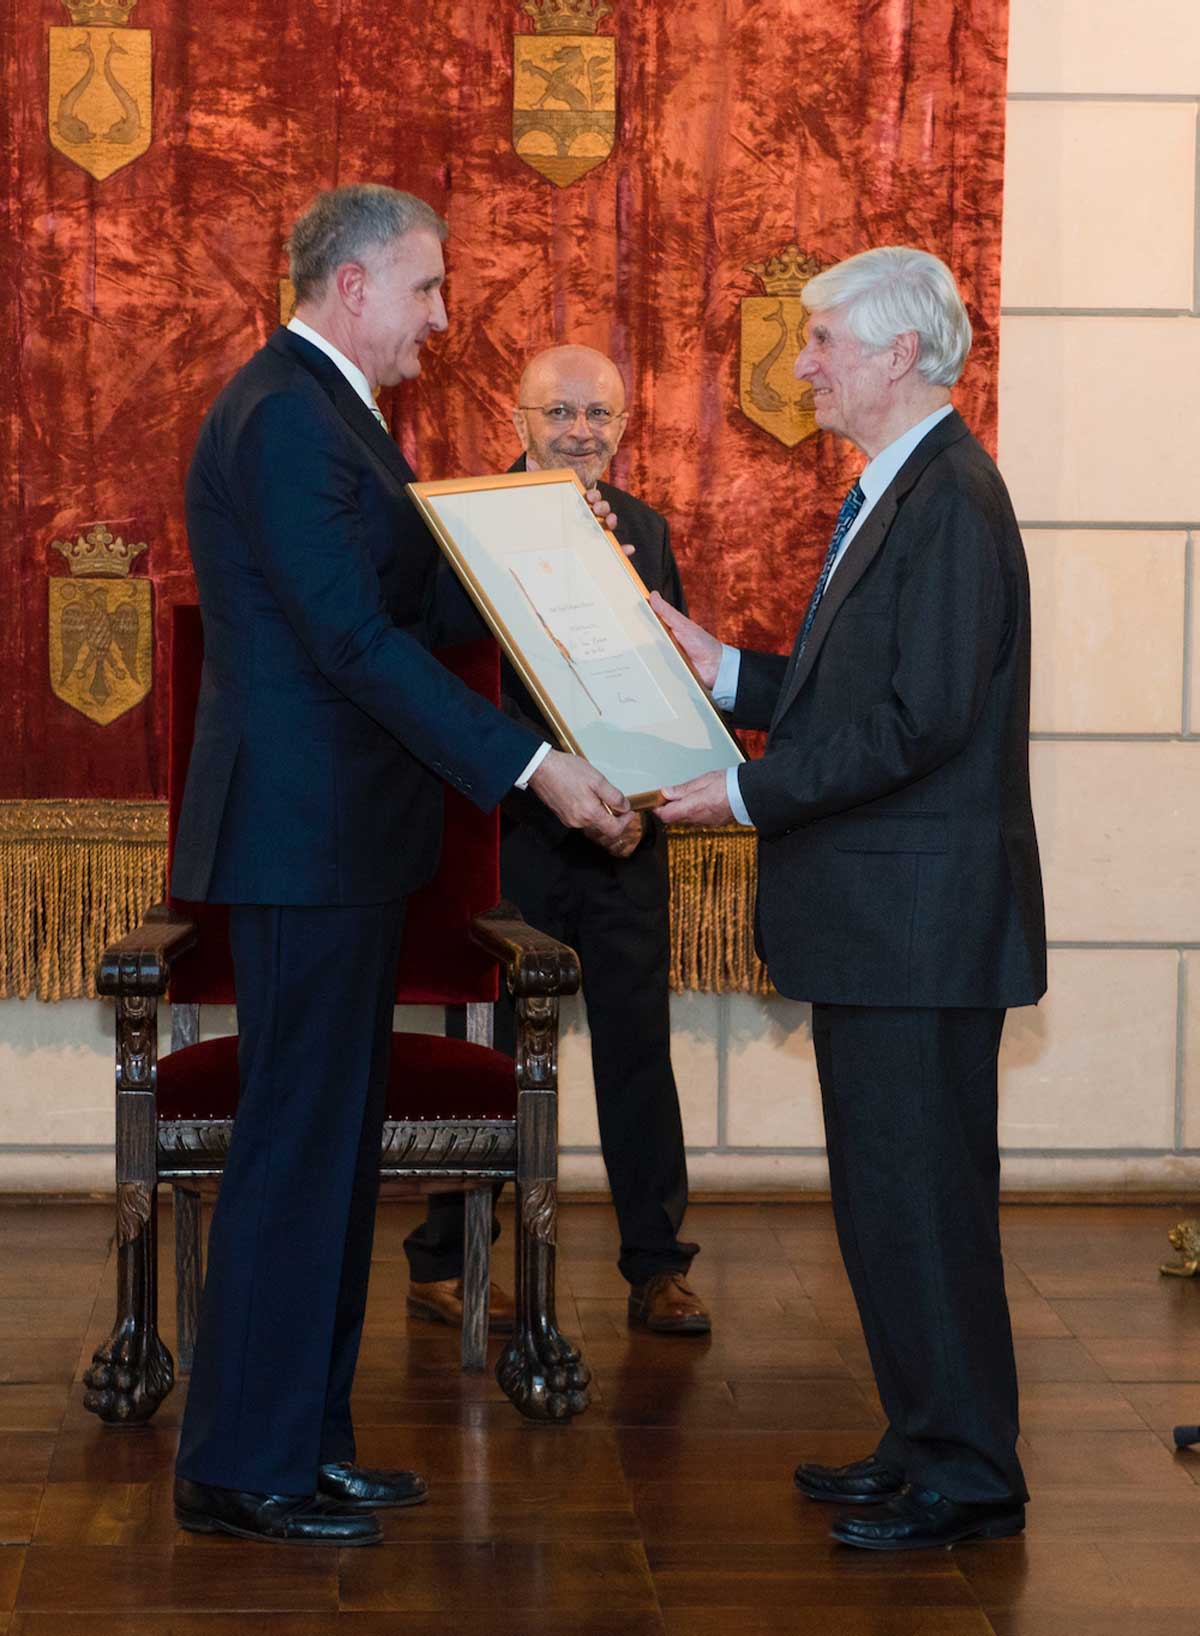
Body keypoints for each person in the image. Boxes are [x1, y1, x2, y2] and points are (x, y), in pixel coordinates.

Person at [170, 185, 630, 1546]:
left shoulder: (334, 418)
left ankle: (305, 1446)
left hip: (343, 848)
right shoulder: (283, 419)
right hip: (303, 848)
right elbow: (354, 647)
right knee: (296, 1157)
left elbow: (418, 593)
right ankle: (241, 1468)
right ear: (354, 284)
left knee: (330, 1157)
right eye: (428, 291)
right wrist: (534, 767)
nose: (442, 320)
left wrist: (549, 546)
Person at [654, 247, 1046, 1551]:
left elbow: (918, 723)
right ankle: (924, 1434)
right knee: (890, 1199)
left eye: (822, 340)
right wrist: (726, 675)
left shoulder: (947, 500)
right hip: (890, 929)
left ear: (897, 355)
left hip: (918, 933)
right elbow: (858, 702)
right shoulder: (906, 491)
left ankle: (968, 1472)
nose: (802, 362)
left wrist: (748, 796)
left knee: (922, 1201)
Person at [404, 345, 711, 1336]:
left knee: (637, 1054)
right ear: (520, 417)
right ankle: (445, 1258)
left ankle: (657, 1267)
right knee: (489, 1053)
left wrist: (644, 805)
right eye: (560, 412)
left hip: (623, 836)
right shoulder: (469, 526)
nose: (581, 430)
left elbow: (664, 687)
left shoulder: (649, 532)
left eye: (600, 414)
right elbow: (450, 682)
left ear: (624, 427)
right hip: (510, 836)